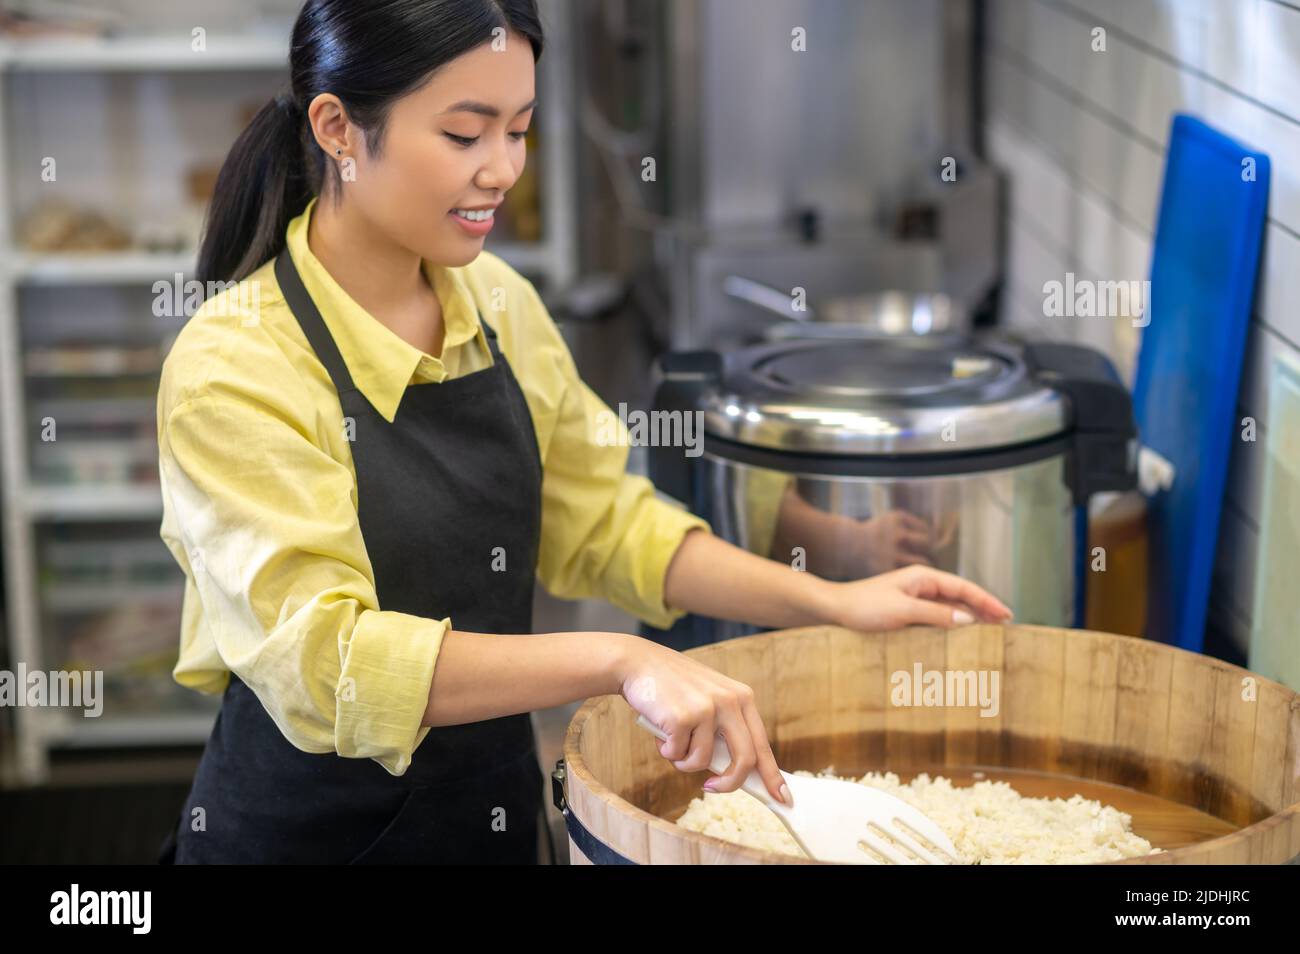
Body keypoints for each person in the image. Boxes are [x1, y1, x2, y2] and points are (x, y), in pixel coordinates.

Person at [156, 0, 1013, 864]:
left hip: (486, 819)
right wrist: (620, 661)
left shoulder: (496, 305)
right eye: (464, 135)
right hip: (301, 840)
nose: (502, 170)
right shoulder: (235, 365)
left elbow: (607, 523)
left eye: (519, 131)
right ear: (339, 127)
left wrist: (831, 603)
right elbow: (328, 663)